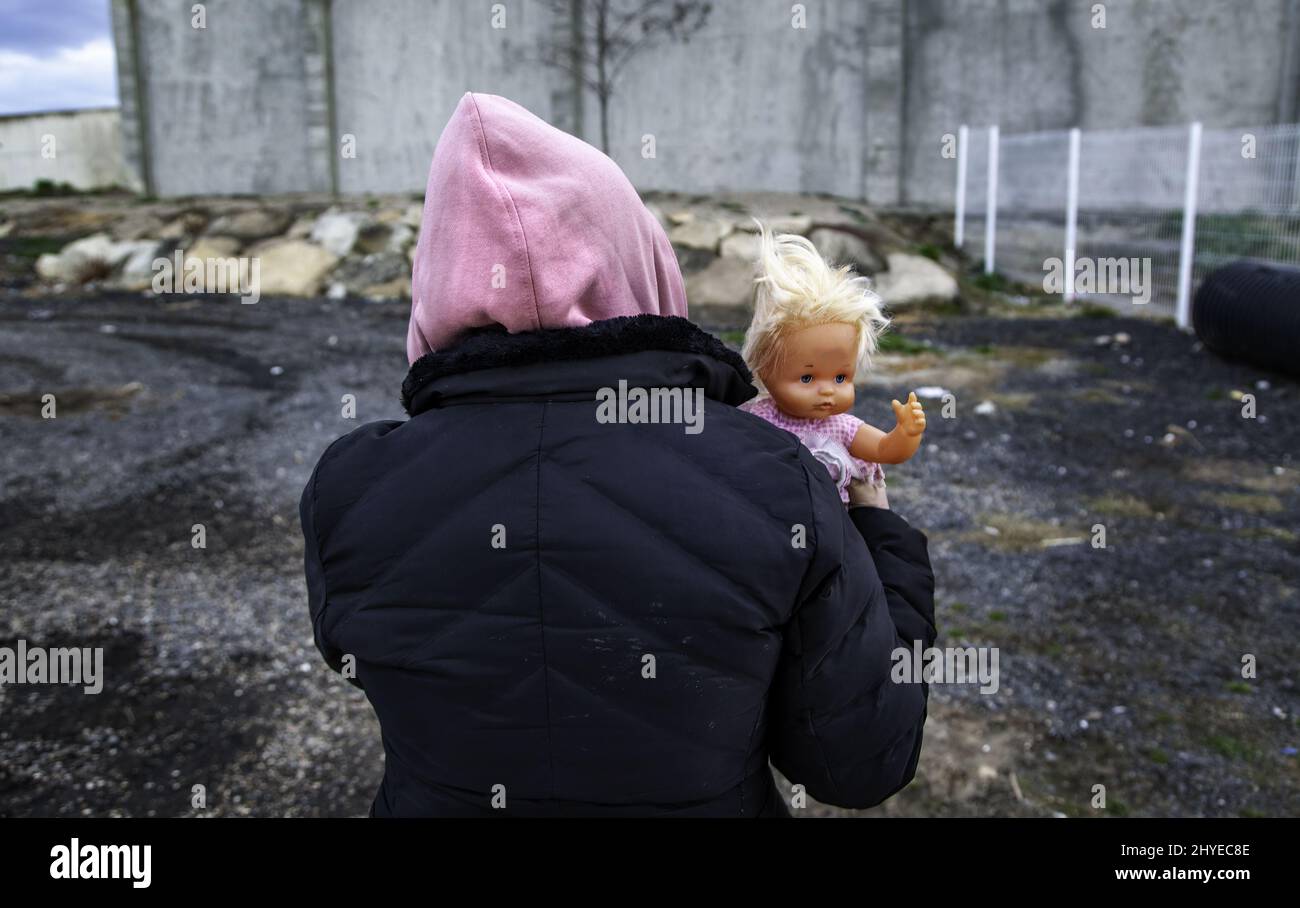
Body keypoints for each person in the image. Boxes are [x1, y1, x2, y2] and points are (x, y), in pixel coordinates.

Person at [299, 92, 937, 817]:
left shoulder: (349, 488)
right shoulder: (775, 479)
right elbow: (858, 761)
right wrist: (882, 538)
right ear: (643, 265)